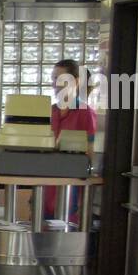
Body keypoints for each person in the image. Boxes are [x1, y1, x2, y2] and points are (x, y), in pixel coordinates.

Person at [44, 59, 98, 221]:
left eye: (61, 79)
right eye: (54, 79)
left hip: (72, 190)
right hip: (46, 187)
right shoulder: (49, 112)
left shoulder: (85, 113)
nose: (55, 84)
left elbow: (90, 153)